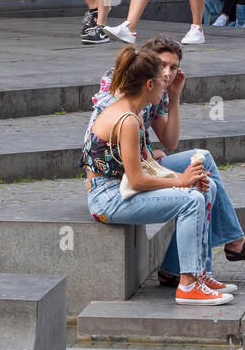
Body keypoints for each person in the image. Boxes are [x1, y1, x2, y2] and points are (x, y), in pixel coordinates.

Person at [89, 36, 245, 288]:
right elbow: (102, 135)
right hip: (112, 183)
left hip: (130, 169)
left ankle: (185, 270)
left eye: (173, 67)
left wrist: (174, 97)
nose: (167, 74)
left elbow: (170, 142)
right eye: (163, 66)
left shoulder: (152, 95)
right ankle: (193, 278)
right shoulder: (124, 91)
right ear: (147, 70)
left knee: (205, 176)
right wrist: (176, 177)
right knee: (193, 195)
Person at [81, 46, 227, 306]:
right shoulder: (127, 120)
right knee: (191, 200)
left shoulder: (131, 112)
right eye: (162, 81)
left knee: (207, 189)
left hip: (119, 189)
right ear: (149, 84)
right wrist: (181, 181)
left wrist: (188, 178)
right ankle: (188, 285)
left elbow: (146, 166)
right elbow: (137, 180)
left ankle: (199, 274)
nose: (166, 85)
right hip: (107, 199)